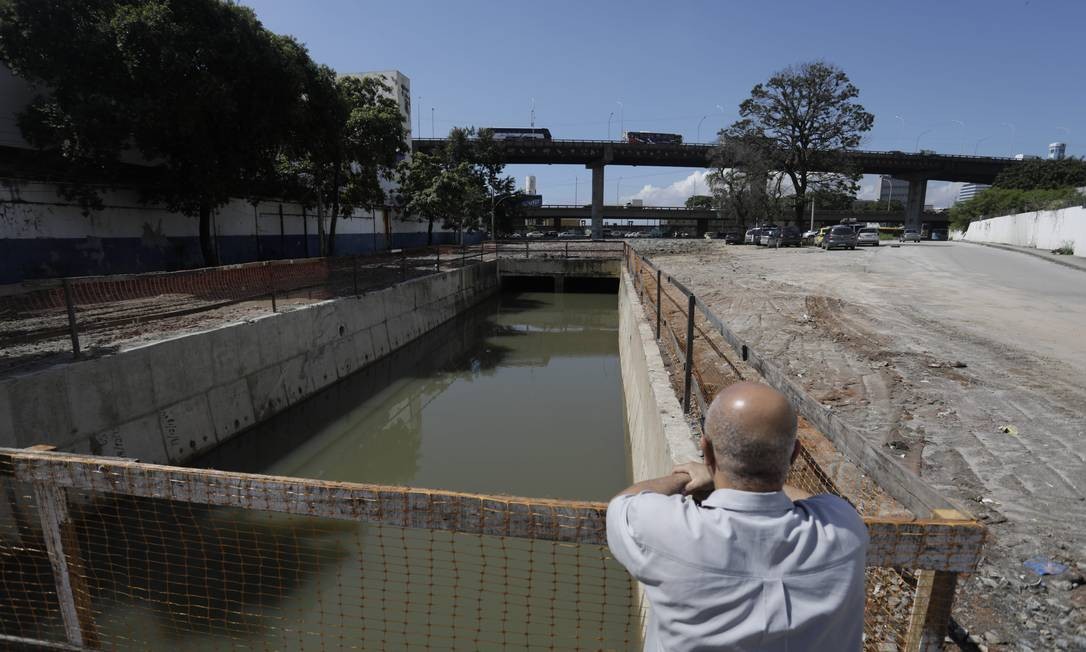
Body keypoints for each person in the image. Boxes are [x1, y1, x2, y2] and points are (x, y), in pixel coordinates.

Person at [606, 382, 868, 651]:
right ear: (795, 454)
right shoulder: (843, 530)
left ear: (707, 452)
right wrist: (732, 475)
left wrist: (699, 476)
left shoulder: (668, 532)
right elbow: (812, 502)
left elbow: (624, 503)